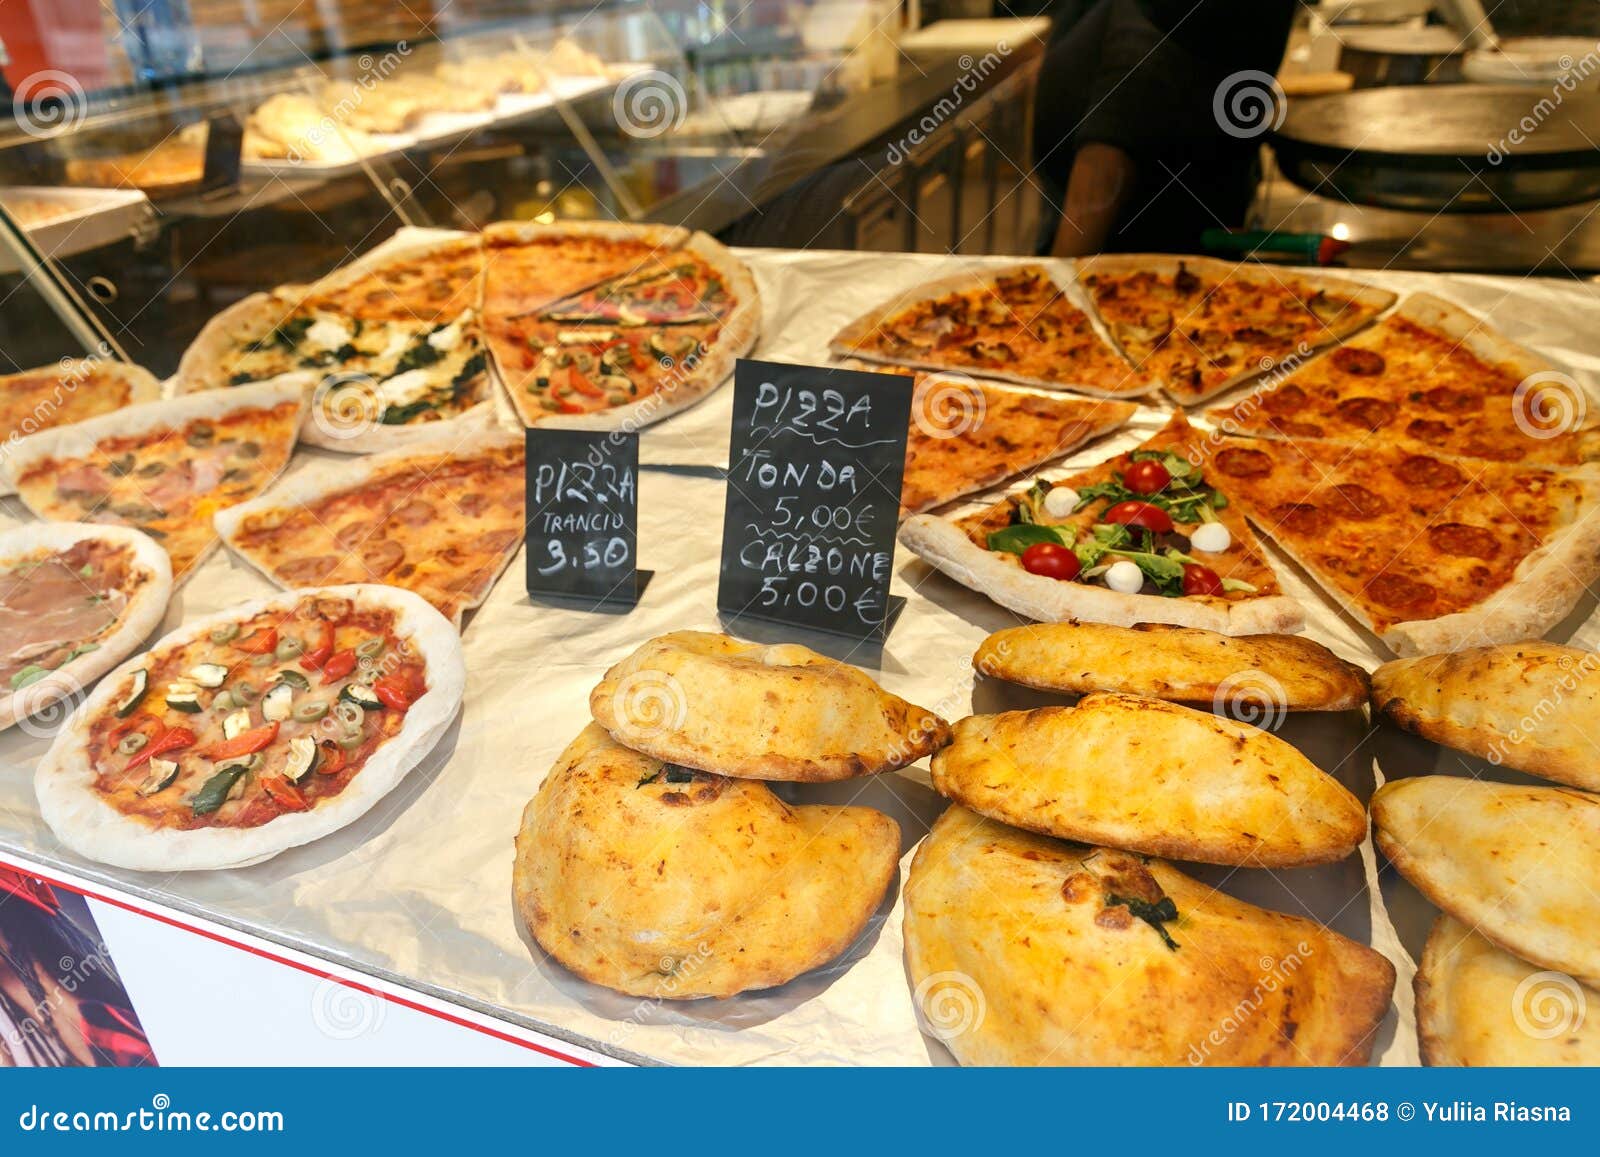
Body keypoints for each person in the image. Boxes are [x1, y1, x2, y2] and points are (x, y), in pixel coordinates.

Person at [1036, 0, 1297, 256]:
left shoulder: (1156, 42)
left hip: (1134, 243)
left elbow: (1114, 137)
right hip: (1091, 200)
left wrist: (1058, 284)